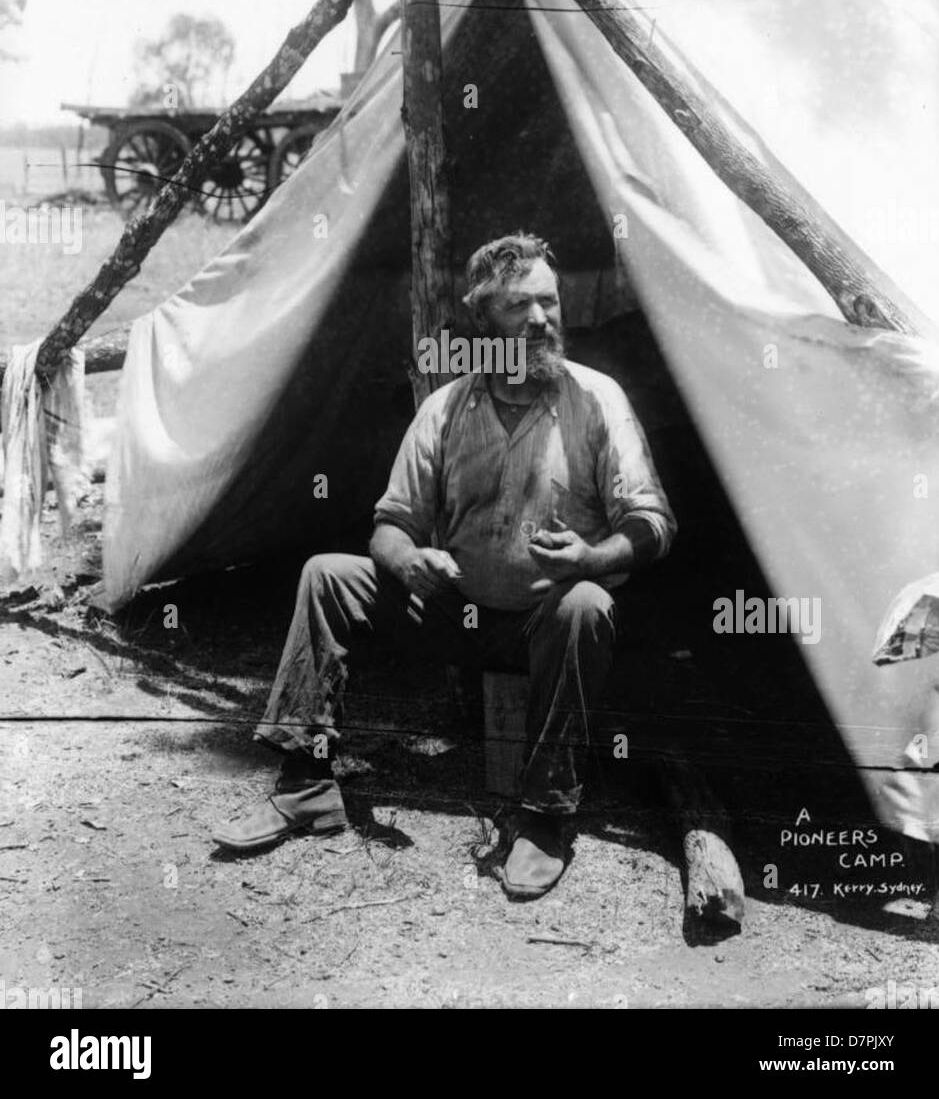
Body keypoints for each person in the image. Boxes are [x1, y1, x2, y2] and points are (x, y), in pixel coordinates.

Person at [213, 232, 676, 899]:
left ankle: (544, 817)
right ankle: (304, 784)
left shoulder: (597, 401)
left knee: (587, 603)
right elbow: (390, 526)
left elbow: (654, 524)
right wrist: (409, 561)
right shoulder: (445, 409)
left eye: (549, 303)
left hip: (545, 627)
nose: (542, 320)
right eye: (520, 308)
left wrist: (593, 557)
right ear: (484, 324)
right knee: (326, 574)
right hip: (452, 612)